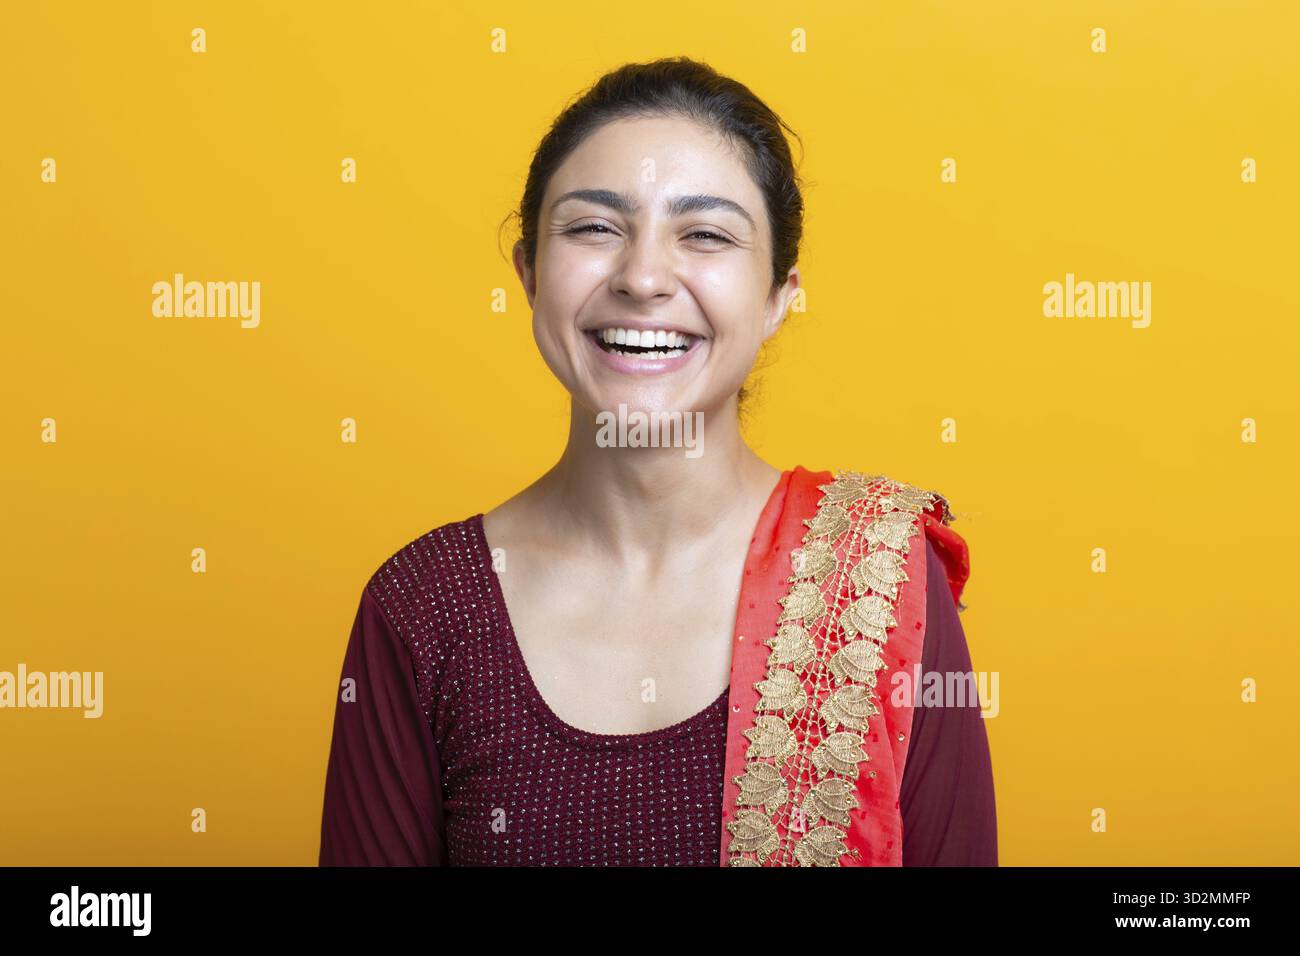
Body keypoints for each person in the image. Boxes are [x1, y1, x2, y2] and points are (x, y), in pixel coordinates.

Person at [318, 56, 996, 867]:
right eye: (594, 228)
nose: (642, 278)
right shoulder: (424, 609)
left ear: (780, 294)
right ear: (529, 272)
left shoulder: (880, 579)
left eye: (705, 234)